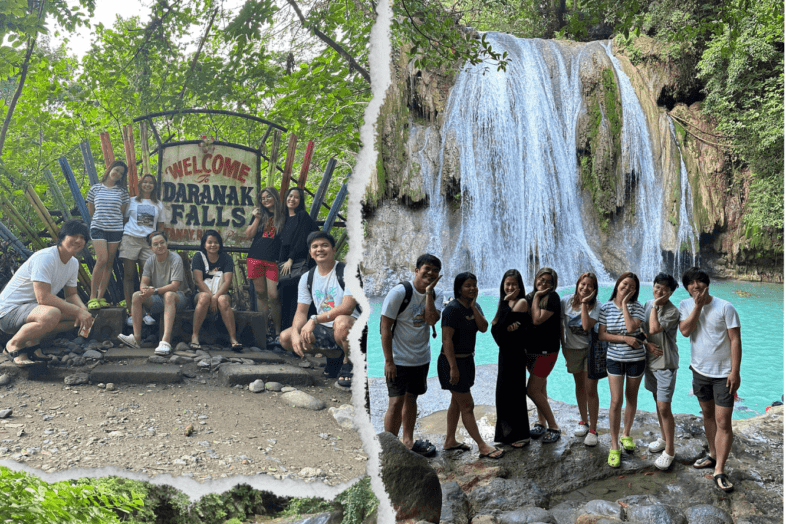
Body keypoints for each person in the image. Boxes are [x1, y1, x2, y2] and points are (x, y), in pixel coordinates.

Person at [678, 267, 741, 493]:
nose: (696, 286)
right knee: (707, 415)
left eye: (700, 282)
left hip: (723, 375)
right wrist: (697, 306)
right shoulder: (685, 306)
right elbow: (684, 331)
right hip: (699, 371)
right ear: (686, 287)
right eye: (691, 283)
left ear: (707, 284)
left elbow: (735, 340)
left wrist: (735, 372)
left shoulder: (726, 307)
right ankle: (713, 455)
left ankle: (720, 469)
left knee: (723, 421)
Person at [0, 220, 93, 366]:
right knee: (52, 313)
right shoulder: (46, 257)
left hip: (32, 311)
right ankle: (13, 344)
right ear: (62, 237)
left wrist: (83, 310)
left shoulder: (73, 263)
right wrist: (78, 311)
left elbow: (71, 295)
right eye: (74, 235)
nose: (78, 240)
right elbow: (43, 298)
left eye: (82, 237)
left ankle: (32, 341)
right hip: (8, 313)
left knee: (76, 318)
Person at [380, 254, 443, 456]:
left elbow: (431, 320)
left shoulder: (436, 294)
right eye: (427, 269)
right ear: (417, 270)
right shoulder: (399, 292)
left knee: (412, 398)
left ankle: (408, 441)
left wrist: (428, 294)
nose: (430, 273)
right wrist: (388, 361)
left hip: (421, 358)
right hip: (398, 359)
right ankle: (389, 449)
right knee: (396, 401)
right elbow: (385, 328)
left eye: (435, 270)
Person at [280, 231, 358, 385]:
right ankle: (335, 357)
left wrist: (314, 319)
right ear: (310, 252)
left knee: (341, 322)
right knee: (286, 338)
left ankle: (351, 362)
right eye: (315, 246)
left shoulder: (348, 271)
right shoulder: (306, 277)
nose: (319, 249)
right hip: (326, 329)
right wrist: (296, 333)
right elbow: (301, 311)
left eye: (325, 245)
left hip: (353, 327)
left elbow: (347, 307)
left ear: (333, 249)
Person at [438, 272, 503, 459]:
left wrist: (474, 307)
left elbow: (483, 328)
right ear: (459, 289)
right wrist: (453, 367)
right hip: (452, 361)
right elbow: (446, 340)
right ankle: (482, 446)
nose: (472, 288)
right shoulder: (451, 309)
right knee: (467, 405)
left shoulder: (475, 306)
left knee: (456, 402)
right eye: (468, 285)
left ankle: (450, 440)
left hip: (467, 360)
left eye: (474, 285)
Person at [598, 272, 646, 468]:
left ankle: (626, 434)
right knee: (616, 400)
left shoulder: (638, 307)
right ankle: (614, 444)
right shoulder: (606, 307)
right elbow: (602, 335)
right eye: (624, 284)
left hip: (636, 359)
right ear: (617, 285)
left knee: (631, 398)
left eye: (631, 287)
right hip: (615, 360)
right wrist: (625, 339)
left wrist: (625, 304)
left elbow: (630, 326)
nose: (627, 289)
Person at [117, 231, 188, 355]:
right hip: (158, 298)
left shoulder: (175, 258)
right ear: (151, 248)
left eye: (162, 242)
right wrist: (145, 290)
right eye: (156, 244)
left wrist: (154, 291)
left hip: (179, 298)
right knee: (136, 296)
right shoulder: (150, 261)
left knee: (169, 295)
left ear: (167, 243)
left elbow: (175, 286)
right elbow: (143, 282)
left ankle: (165, 341)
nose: (159, 246)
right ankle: (136, 339)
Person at [642, 272, 680, 470]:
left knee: (664, 407)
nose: (659, 292)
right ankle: (664, 438)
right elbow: (643, 329)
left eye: (664, 290)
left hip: (665, 364)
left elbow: (654, 328)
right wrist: (647, 344)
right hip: (651, 362)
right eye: (657, 287)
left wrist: (657, 305)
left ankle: (670, 451)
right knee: (658, 402)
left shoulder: (672, 311)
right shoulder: (647, 303)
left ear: (670, 293)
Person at [490, 269, 531, 448]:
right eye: (507, 284)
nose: (510, 287)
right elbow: (496, 330)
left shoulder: (521, 302)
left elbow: (501, 326)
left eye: (514, 284)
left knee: (515, 393)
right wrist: (503, 328)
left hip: (515, 355)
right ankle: (506, 434)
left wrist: (503, 326)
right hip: (505, 353)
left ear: (520, 286)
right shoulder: (505, 303)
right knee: (503, 394)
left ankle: (522, 435)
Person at [560, 272, 602, 446]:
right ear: (577, 284)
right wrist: (563, 345)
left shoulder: (597, 306)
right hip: (572, 349)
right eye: (582, 284)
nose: (585, 288)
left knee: (590, 388)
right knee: (579, 385)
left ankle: (593, 429)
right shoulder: (565, 301)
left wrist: (584, 303)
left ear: (594, 289)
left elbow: (585, 325)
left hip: (591, 350)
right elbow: (559, 325)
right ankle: (583, 421)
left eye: (589, 286)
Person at [119, 174, 166, 326]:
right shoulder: (132, 201)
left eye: (151, 183)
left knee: (145, 277)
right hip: (130, 239)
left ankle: (146, 312)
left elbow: (161, 226)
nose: (147, 185)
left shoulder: (158, 204)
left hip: (148, 242)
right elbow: (125, 220)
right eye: (145, 182)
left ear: (154, 186)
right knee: (129, 275)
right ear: (140, 185)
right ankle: (131, 312)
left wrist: (155, 240)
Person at [86, 160, 130, 309]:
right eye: (116, 170)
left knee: (109, 262)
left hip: (115, 229)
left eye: (121, 173)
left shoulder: (123, 192)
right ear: (110, 169)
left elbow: (122, 213)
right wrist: (100, 220)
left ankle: (100, 297)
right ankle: (92, 297)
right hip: (98, 227)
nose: (117, 174)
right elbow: (91, 210)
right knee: (102, 260)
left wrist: (114, 223)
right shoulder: (95, 189)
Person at [525, 267, 562, 444]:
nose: (543, 283)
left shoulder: (552, 298)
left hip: (546, 351)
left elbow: (537, 319)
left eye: (548, 281)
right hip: (531, 350)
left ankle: (554, 426)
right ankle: (541, 422)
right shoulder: (529, 297)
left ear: (553, 284)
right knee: (540, 389)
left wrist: (538, 296)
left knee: (532, 390)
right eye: (541, 279)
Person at [245, 186, 284, 344]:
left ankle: (278, 331)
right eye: (263, 198)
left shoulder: (283, 216)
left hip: (273, 261)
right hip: (255, 258)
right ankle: (265, 330)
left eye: (268, 196)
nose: (265, 200)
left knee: (273, 296)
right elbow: (248, 235)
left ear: (275, 197)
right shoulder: (259, 215)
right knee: (261, 295)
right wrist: (255, 218)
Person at [190, 230, 241, 351]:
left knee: (223, 300)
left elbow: (227, 282)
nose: (213, 245)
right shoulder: (198, 257)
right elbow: (199, 281)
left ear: (220, 244)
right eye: (210, 242)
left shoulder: (226, 258)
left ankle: (233, 339)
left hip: (221, 292)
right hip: (201, 293)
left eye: (216, 242)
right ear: (204, 244)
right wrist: (210, 296)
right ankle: (195, 336)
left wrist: (215, 297)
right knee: (204, 297)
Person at [278, 187, 318, 331]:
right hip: (283, 264)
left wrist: (291, 259)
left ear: (300, 201)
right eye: (290, 196)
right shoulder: (283, 218)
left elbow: (302, 239)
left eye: (296, 197)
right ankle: (284, 335)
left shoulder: (302, 216)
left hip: (296, 263)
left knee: (296, 299)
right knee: (284, 298)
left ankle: (297, 334)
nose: (292, 199)